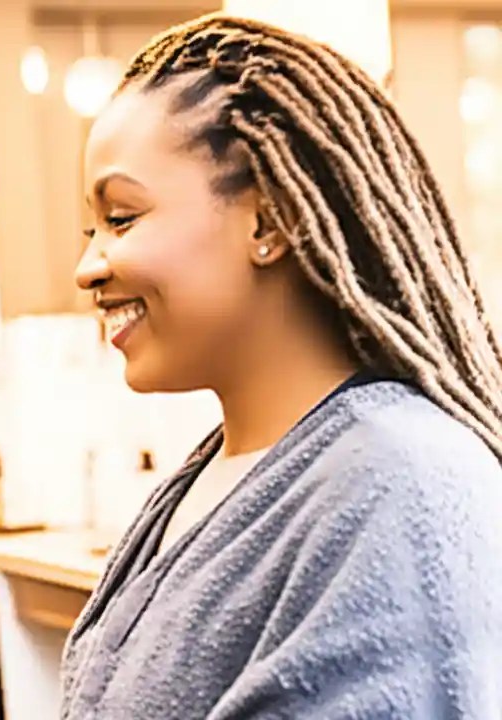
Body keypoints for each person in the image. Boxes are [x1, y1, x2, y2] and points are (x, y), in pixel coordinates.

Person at [64, 13, 502, 719]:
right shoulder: (207, 484)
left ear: (270, 223)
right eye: (91, 230)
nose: (87, 268)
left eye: (121, 218)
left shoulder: (402, 481)